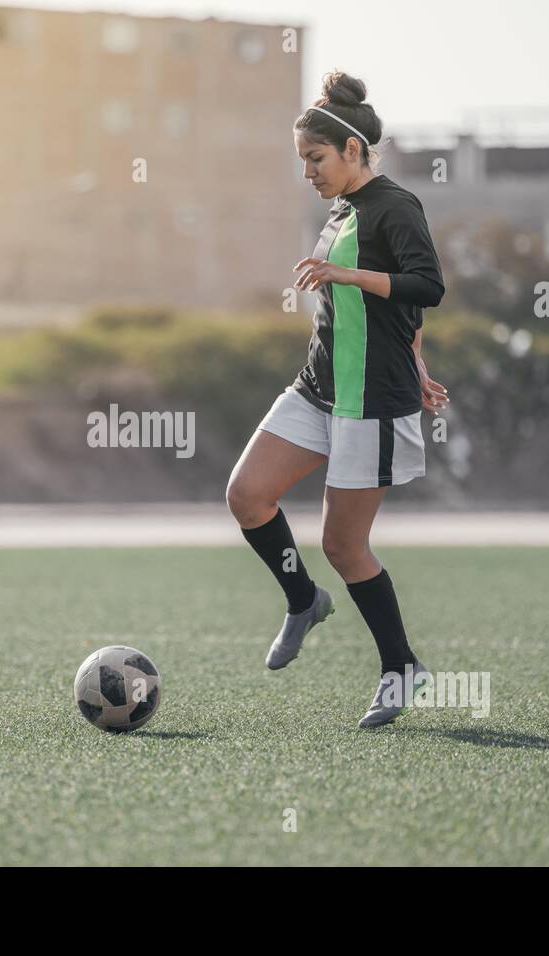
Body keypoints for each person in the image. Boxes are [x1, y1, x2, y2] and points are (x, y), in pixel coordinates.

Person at [225, 70, 449, 728]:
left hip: (370, 401)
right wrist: (420, 357)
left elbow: (425, 286)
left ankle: (401, 666)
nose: (308, 172)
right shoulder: (343, 208)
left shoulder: (396, 205)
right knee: (246, 495)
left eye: (314, 159)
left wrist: (348, 277)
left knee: (345, 546)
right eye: (302, 161)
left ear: (352, 151)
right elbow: (388, 315)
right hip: (318, 386)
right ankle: (303, 600)